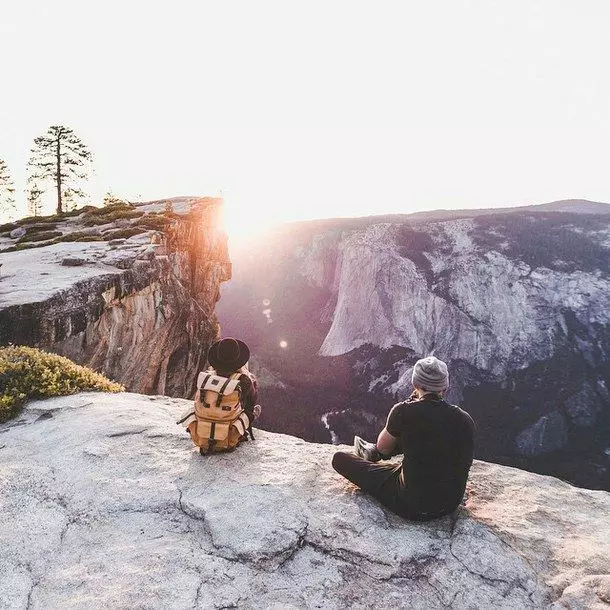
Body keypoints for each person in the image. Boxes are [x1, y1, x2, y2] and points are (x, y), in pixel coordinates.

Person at [332, 356, 475, 521]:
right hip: (449, 505)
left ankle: (369, 456)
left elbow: (383, 448)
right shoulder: (465, 419)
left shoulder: (403, 411)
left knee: (339, 459)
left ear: (415, 384)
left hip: (410, 504)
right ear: (446, 387)